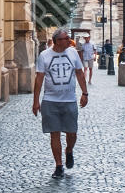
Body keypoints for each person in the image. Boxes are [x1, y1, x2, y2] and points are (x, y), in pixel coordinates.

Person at [32, 26, 88, 178]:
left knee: (72, 132)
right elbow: (39, 79)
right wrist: (36, 101)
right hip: (50, 101)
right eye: (66, 39)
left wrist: (85, 93)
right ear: (57, 41)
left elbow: (79, 73)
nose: (69, 41)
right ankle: (59, 166)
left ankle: (69, 150)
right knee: (54, 134)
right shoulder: (44, 56)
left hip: (70, 100)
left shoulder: (73, 53)